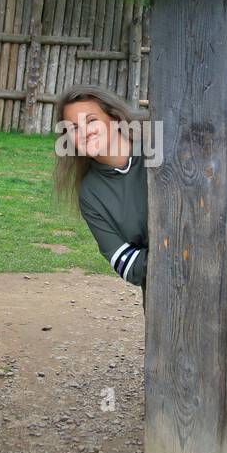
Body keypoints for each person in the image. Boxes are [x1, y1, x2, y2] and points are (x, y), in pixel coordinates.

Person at [52, 83, 149, 308]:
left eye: (92, 121)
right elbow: (128, 265)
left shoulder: (161, 151)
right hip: (165, 297)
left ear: (115, 120)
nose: (84, 132)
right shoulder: (90, 194)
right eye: (74, 128)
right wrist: (178, 254)